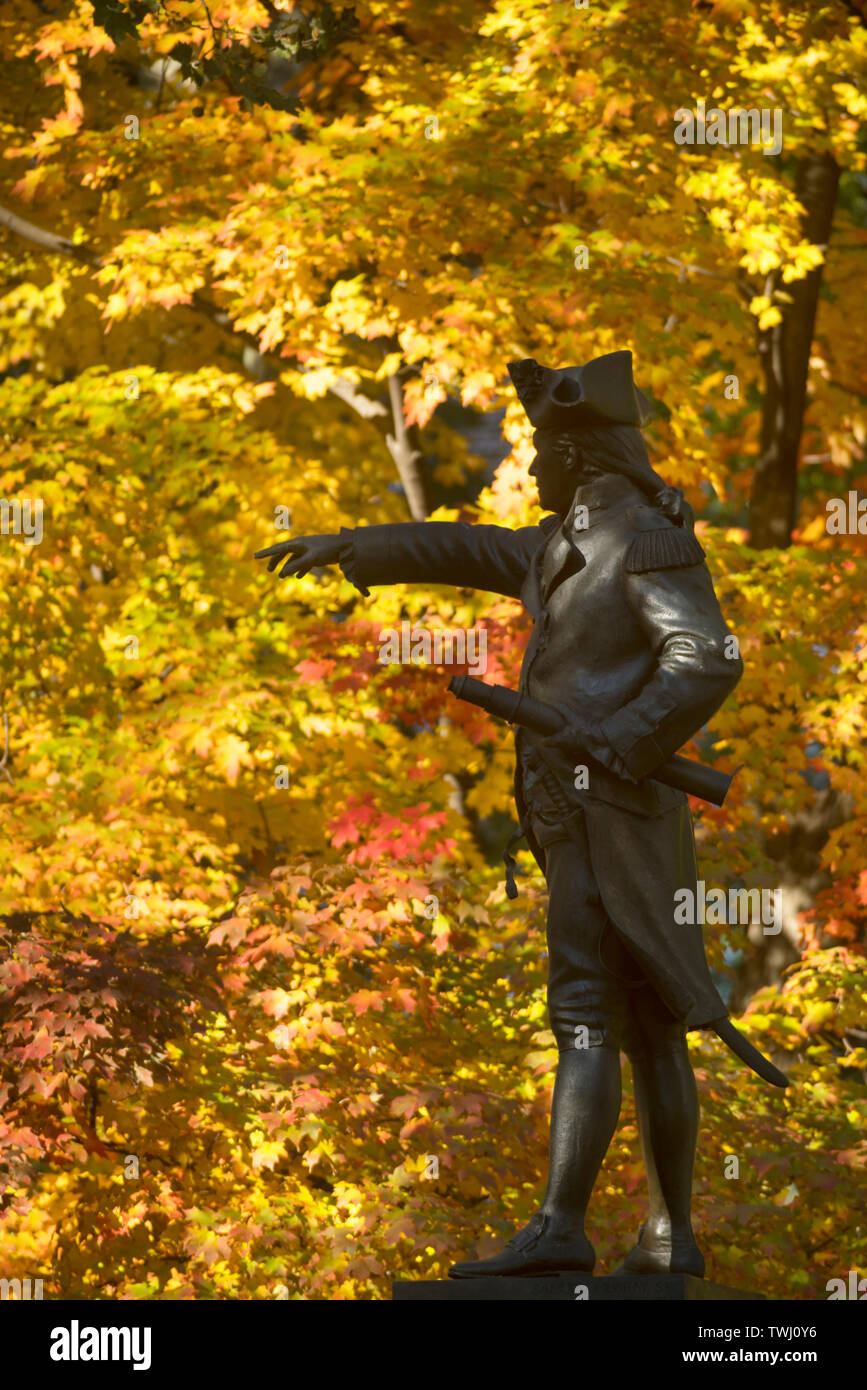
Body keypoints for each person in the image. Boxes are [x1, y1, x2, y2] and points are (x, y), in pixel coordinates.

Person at [255, 350, 775, 1281]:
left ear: (577, 458)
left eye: (540, 450)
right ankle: (664, 1240)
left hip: (613, 808)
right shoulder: (561, 545)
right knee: (645, 1017)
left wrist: (621, 740)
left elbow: (704, 659)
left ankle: (565, 1229)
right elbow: (460, 548)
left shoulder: (644, 540)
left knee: (592, 1010)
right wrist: (351, 546)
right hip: (576, 812)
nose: (530, 466)